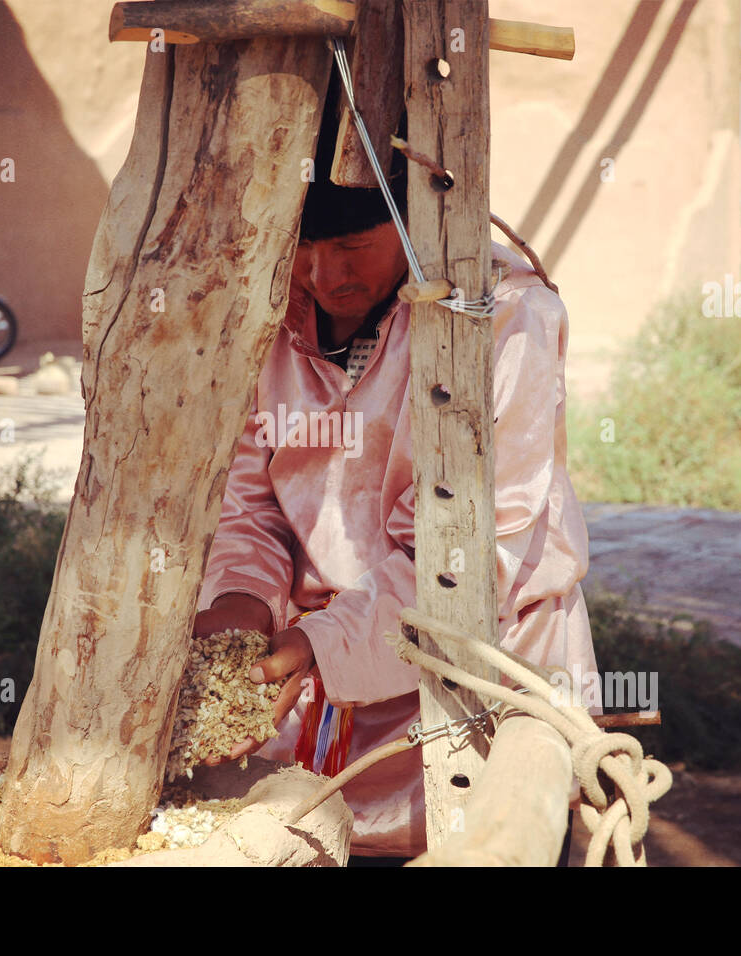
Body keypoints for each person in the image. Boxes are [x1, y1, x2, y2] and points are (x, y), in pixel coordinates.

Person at [193, 103, 598, 863]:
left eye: (352, 245)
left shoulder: (507, 321)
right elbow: (253, 504)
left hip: (482, 678)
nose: (325, 274)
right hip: (322, 689)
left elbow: (478, 549)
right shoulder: (271, 312)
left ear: (419, 223)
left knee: (489, 839)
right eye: (306, 245)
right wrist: (241, 605)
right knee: (318, 834)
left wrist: (320, 643)